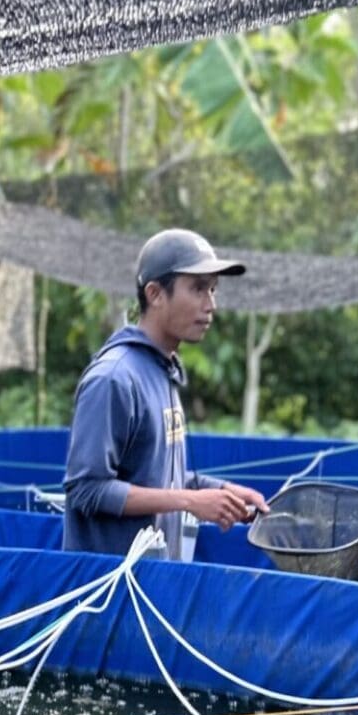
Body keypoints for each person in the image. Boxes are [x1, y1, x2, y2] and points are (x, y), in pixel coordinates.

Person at [62, 228, 269, 560]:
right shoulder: (114, 378)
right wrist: (191, 502)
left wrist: (218, 491)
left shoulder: (161, 370)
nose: (211, 304)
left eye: (213, 290)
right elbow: (86, 489)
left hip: (155, 584)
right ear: (156, 294)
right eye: (198, 289)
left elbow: (153, 476)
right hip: (111, 595)